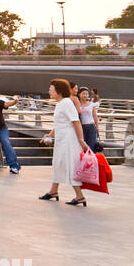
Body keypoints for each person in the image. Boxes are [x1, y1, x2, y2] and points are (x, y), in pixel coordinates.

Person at [41, 78, 91, 206]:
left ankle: (80, 196)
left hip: (69, 140)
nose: (49, 91)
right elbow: (61, 123)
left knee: (70, 165)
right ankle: (53, 191)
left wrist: (81, 140)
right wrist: (50, 134)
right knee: (58, 163)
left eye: (51, 89)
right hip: (62, 139)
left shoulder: (66, 103)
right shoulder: (60, 103)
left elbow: (76, 122)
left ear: (58, 91)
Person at [0, 95, 21, 174]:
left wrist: (15, 101)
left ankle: (14, 166)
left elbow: (7, 104)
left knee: (6, 142)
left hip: (1, 129)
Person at [77, 87, 104, 154]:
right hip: (80, 127)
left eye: (87, 94)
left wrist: (97, 127)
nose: (85, 95)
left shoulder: (91, 104)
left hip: (91, 127)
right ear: (79, 94)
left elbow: (95, 116)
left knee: (91, 146)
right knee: (81, 147)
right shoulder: (76, 105)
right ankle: (83, 162)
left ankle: (91, 162)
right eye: (83, 94)